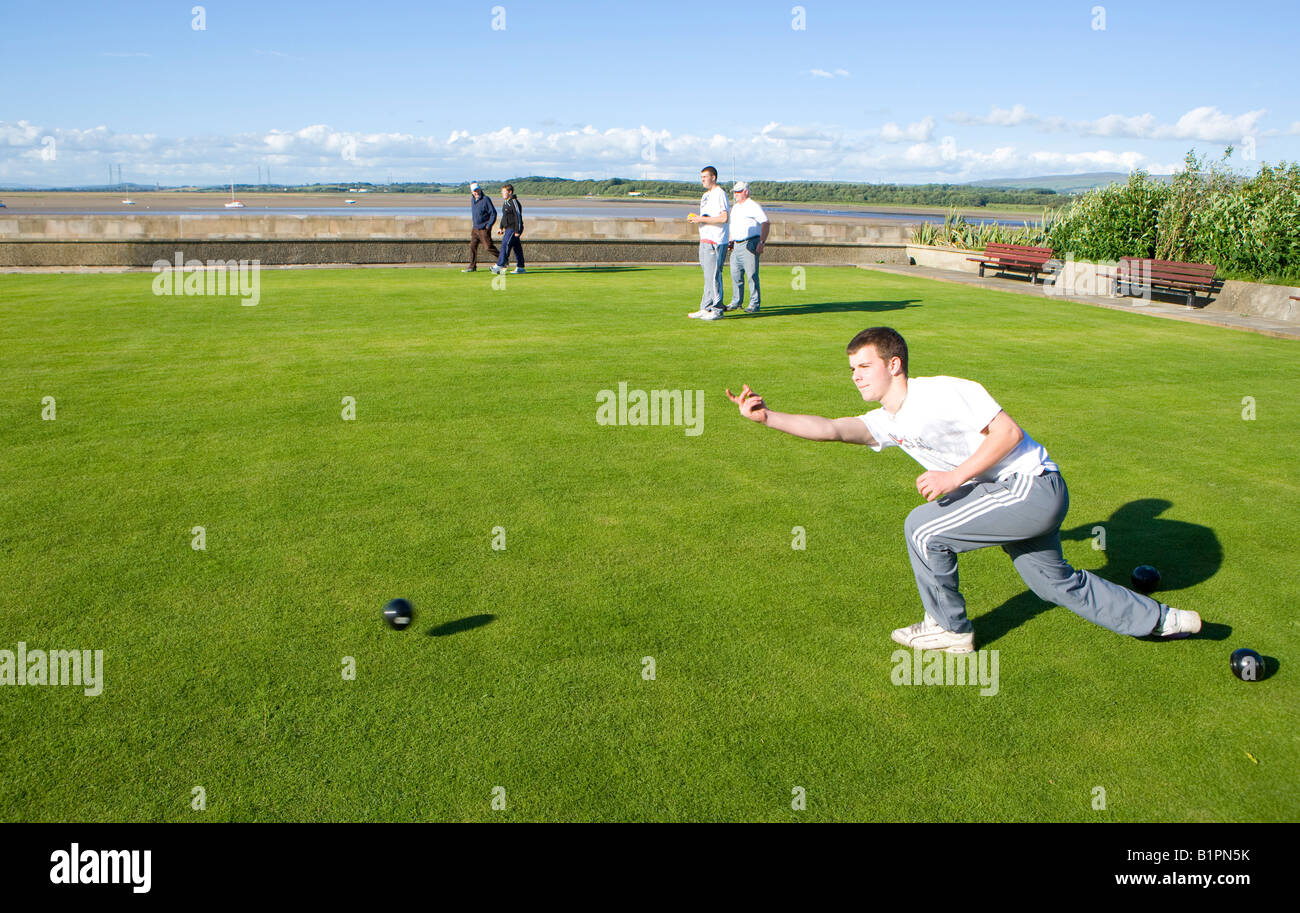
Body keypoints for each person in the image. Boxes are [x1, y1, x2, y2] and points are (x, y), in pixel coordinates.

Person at [725, 326, 1203, 653]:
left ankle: (950, 630)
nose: (855, 375)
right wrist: (767, 418)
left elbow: (1009, 434)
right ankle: (1163, 620)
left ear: (894, 364)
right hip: (1012, 498)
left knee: (923, 530)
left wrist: (954, 478)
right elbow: (831, 428)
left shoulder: (943, 391)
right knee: (1053, 584)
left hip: (1031, 487)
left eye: (864, 366)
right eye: (851, 368)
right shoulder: (888, 420)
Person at [686, 166, 729, 320]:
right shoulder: (705, 196)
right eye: (701, 177)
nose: (703, 179)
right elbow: (707, 216)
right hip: (704, 239)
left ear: (714, 177)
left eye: (705, 176)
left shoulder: (720, 194)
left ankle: (717, 310)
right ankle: (705, 307)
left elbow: (724, 218)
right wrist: (697, 219)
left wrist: (700, 219)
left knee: (714, 276)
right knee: (707, 276)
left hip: (716, 241)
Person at [725, 181, 769, 314]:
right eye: (735, 192)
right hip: (736, 244)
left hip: (750, 243)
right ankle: (736, 301)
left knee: (752, 275)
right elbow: (733, 226)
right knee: (735, 274)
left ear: (746, 191)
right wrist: (730, 241)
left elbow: (765, 223)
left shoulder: (753, 206)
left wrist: (762, 242)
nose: (736, 194)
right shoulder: (736, 207)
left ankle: (755, 303)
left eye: (739, 192)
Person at [463, 182, 499, 272]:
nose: (476, 192)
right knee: (472, 246)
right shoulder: (472, 200)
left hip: (484, 228)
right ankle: (472, 266)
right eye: (474, 191)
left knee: (488, 247)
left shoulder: (486, 199)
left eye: (477, 190)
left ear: (480, 189)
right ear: (471, 192)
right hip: (475, 228)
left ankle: (502, 259)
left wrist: (489, 225)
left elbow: (493, 213)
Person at [491, 184, 525, 275]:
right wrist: (501, 227)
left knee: (505, 244)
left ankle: (500, 264)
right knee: (517, 248)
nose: (502, 193)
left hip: (513, 229)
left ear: (510, 192)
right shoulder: (506, 202)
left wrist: (518, 231)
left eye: (504, 192)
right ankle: (521, 267)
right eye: (502, 192)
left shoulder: (514, 202)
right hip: (508, 228)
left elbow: (518, 217)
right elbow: (504, 216)